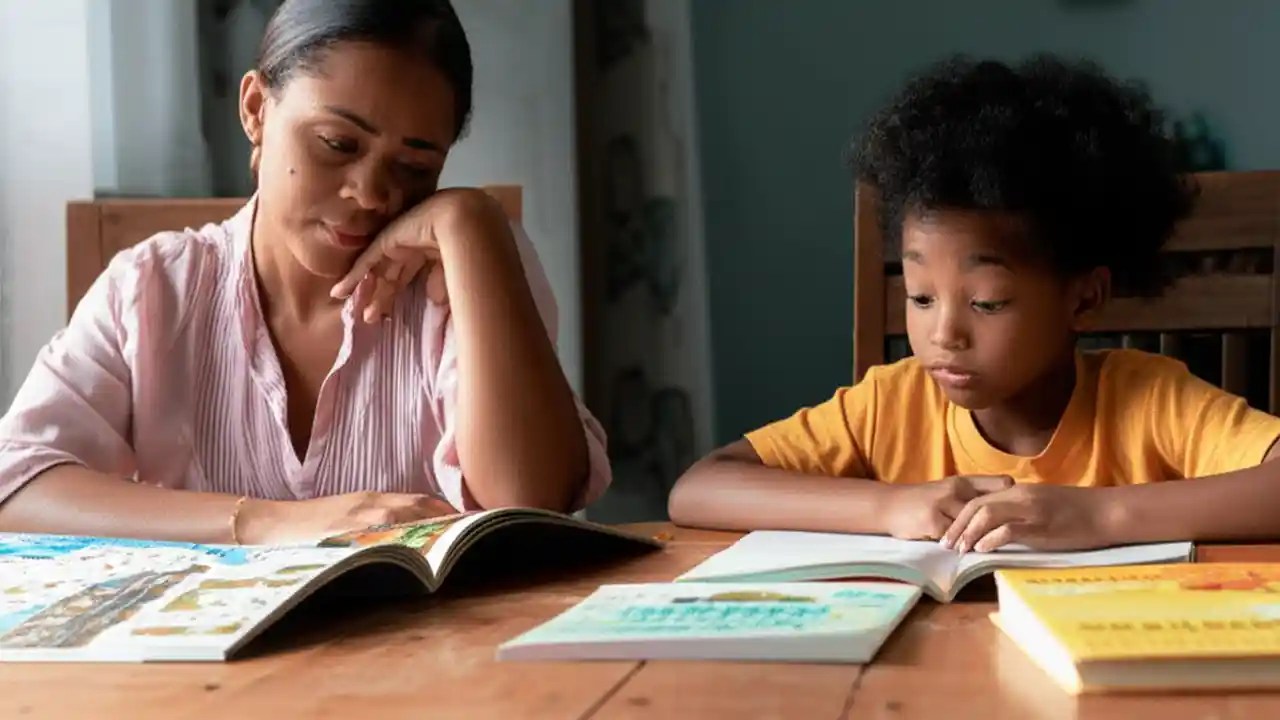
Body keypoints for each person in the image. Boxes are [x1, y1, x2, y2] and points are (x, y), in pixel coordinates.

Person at [0, 0, 609, 544]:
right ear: (256, 109)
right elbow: (16, 484)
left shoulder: (464, 273)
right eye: (337, 145)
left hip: (440, 660)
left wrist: (472, 222)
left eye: (417, 166)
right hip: (211, 670)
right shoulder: (154, 288)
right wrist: (265, 520)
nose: (373, 194)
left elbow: (530, 504)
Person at [669, 55, 1280, 554]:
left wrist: (1099, 515)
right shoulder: (889, 404)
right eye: (920, 297)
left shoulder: (1150, 401)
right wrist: (890, 505)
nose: (944, 333)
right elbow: (698, 489)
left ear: (1085, 298)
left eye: (986, 304)